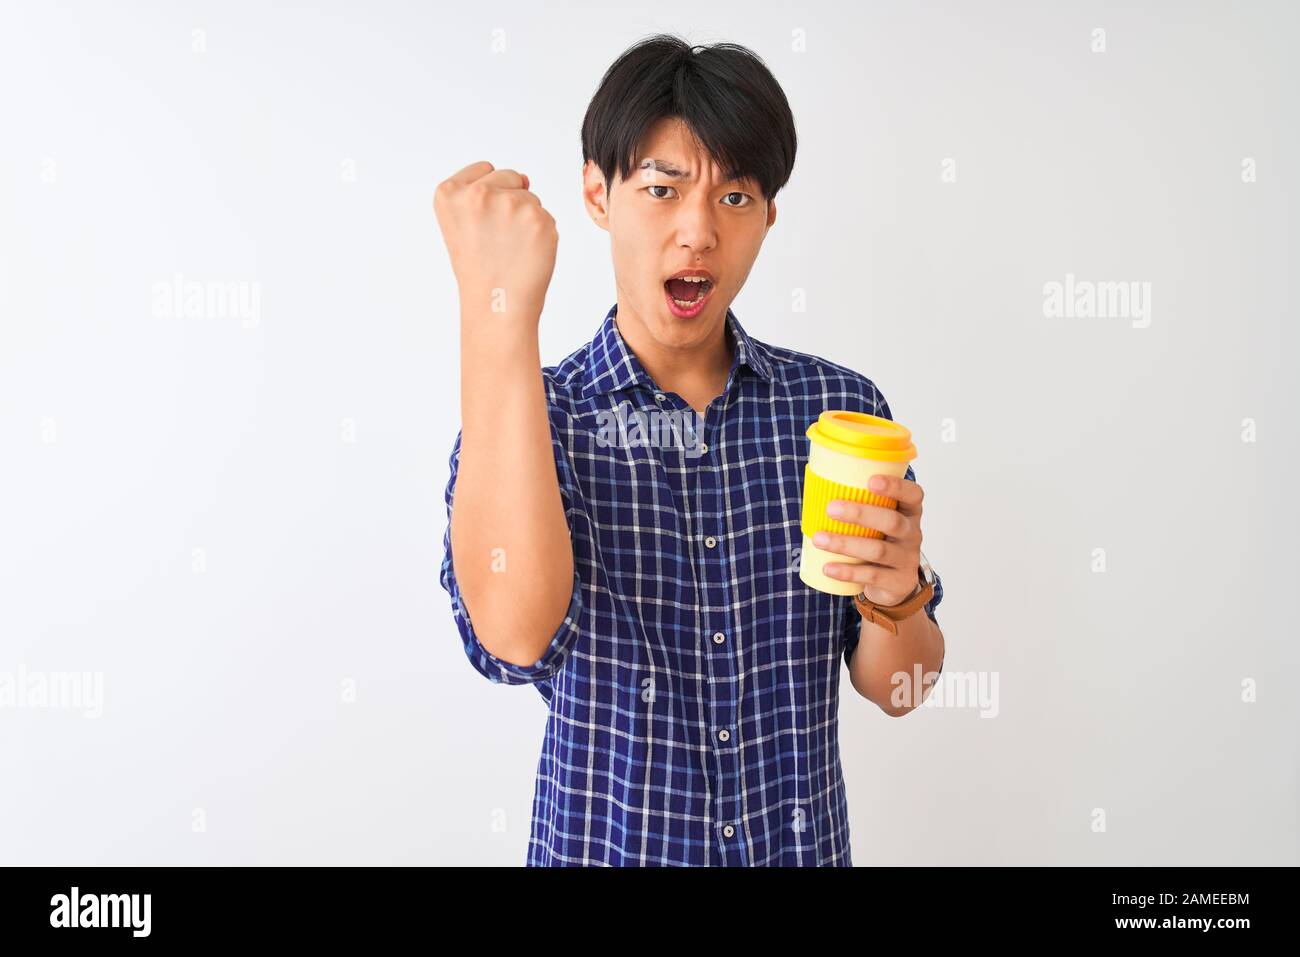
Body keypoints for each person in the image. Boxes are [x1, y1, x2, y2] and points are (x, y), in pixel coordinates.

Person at [434, 34, 945, 866]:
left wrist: (899, 599)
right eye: (663, 189)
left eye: (736, 197)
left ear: (770, 214)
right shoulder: (541, 418)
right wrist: (497, 310)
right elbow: (515, 639)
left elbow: (902, 688)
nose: (699, 232)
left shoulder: (838, 413)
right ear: (597, 195)